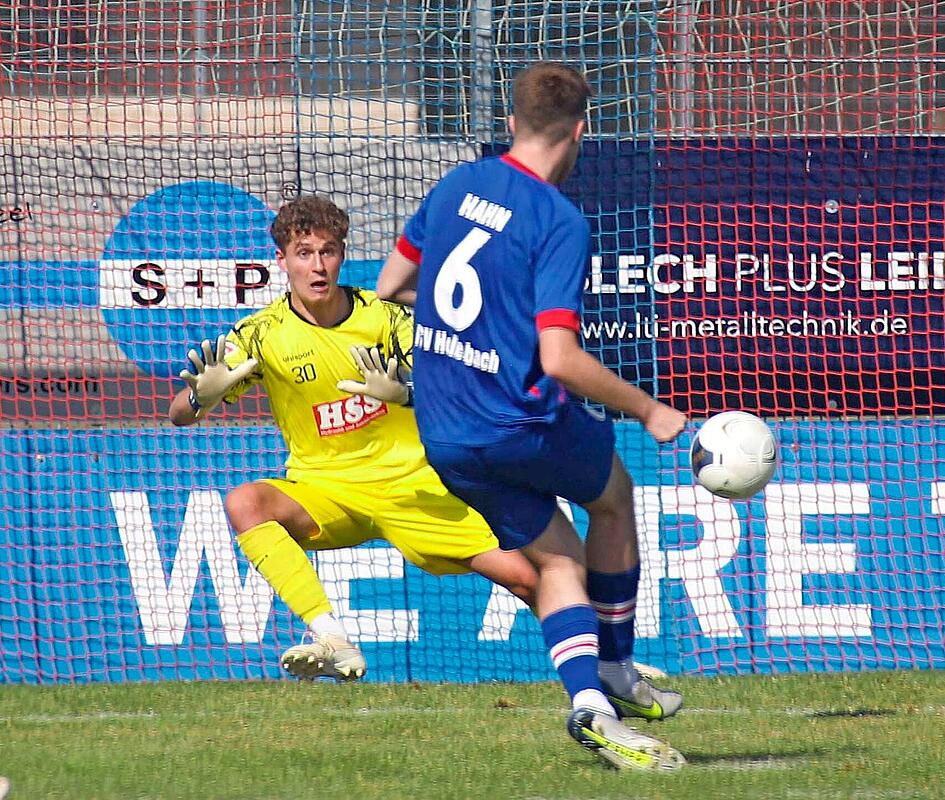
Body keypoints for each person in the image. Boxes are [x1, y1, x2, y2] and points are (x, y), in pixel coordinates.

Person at [375, 62, 688, 771]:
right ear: (580, 131)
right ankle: (613, 666)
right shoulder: (558, 219)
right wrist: (648, 408)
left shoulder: (457, 182)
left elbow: (393, 284)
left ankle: (590, 706)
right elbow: (559, 359)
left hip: (446, 431)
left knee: (556, 562)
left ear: (510, 124)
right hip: (517, 421)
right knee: (612, 495)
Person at [168, 194, 537, 681]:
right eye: (304, 253)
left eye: (328, 251)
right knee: (245, 502)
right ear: (282, 261)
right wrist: (202, 397)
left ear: (343, 253)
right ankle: (332, 638)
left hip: (412, 487)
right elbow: (178, 413)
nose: (317, 266)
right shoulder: (262, 333)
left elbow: (455, 386)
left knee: (529, 579)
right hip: (326, 492)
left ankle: (606, 663)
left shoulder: (385, 318)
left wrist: (405, 391)